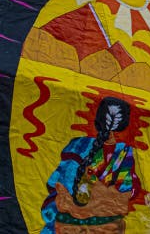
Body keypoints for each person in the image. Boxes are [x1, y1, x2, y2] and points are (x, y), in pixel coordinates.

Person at [42, 97, 140, 234]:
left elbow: (56, 182)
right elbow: (128, 190)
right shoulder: (123, 154)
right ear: (124, 125)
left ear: (97, 122)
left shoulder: (78, 145)